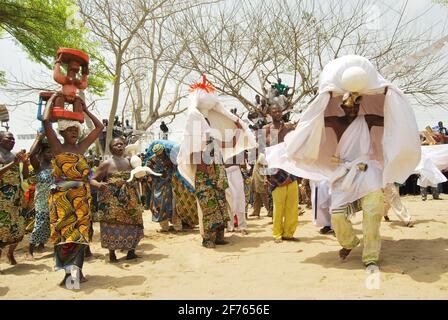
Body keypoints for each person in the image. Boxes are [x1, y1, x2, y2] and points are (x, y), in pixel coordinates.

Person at [271, 55, 421, 269]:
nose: (351, 111)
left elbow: (390, 117)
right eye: (347, 107)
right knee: (338, 216)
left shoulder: (366, 119)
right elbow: (314, 117)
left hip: (368, 171)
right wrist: (327, 93)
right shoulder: (336, 121)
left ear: (359, 106)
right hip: (344, 173)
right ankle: (350, 242)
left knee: (372, 214)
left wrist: (386, 91)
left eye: (354, 108)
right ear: (341, 106)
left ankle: (371, 257)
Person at [177, 75, 257, 248]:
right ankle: (208, 239)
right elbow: (192, 150)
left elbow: (227, 144)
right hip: (205, 172)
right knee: (208, 205)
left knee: (221, 202)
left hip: (218, 171)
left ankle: (219, 235)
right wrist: (204, 169)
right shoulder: (194, 118)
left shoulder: (208, 124)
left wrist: (238, 128)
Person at [43, 99, 103, 287]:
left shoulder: (81, 148)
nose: (75, 133)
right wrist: (52, 101)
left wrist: (85, 110)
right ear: (62, 132)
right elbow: (45, 121)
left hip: (81, 199)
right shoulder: (57, 147)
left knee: (80, 235)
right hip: (62, 199)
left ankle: (77, 273)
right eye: (70, 130)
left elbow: (99, 127)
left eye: (76, 130)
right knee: (65, 236)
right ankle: (70, 274)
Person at [91, 138, 144, 263]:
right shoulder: (106, 164)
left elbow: (137, 176)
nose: (119, 146)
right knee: (111, 224)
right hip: (111, 202)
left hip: (130, 199)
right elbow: (92, 179)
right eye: (116, 144)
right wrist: (99, 185)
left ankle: (131, 252)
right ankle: (112, 254)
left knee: (135, 222)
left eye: (121, 144)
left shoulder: (130, 161)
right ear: (111, 148)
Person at [263, 104, 298, 243]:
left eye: (279, 111)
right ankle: (277, 233)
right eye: (274, 111)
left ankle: (289, 233)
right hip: (274, 173)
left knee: (292, 205)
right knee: (278, 206)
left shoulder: (289, 127)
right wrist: (264, 176)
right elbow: (261, 154)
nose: (277, 113)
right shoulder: (265, 130)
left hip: (291, 170)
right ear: (270, 114)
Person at [0, 131, 29, 265]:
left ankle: (10, 253)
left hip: (16, 198)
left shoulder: (14, 156)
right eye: (9, 138)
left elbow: (25, 175)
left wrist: (25, 162)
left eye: (13, 139)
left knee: (19, 227)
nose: (12, 141)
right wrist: (13, 163)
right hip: (2, 199)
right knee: (2, 228)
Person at [144, 140, 183, 232]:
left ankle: (177, 226)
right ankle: (164, 226)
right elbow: (147, 171)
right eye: (158, 155)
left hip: (171, 184)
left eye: (161, 154)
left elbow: (177, 168)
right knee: (159, 205)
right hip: (158, 186)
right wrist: (149, 175)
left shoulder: (170, 158)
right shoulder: (152, 160)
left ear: (164, 151)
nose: (160, 156)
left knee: (174, 205)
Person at [26, 132, 54, 260]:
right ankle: (30, 251)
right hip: (42, 200)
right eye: (48, 152)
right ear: (41, 154)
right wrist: (38, 138)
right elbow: (30, 154)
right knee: (40, 223)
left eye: (51, 152)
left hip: (54, 199)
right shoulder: (39, 167)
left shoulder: (55, 166)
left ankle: (43, 245)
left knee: (52, 223)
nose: (51, 154)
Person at [224, 153, 248, 235]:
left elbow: (243, 161)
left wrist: (235, 154)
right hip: (224, 172)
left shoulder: (238, 143)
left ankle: (242, 226)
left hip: (235, 171)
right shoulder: (218, 143)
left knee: (239, 198)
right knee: (228, 199)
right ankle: (230, 226)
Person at [249, 153, 272, 218]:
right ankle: (256, 211)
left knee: (264, 195)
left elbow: (265, 167)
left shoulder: (261, 156)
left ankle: (270, 210)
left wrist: (265, 178)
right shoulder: (256, 157)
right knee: (256, 196)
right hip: (256, 179)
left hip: (260, 179)